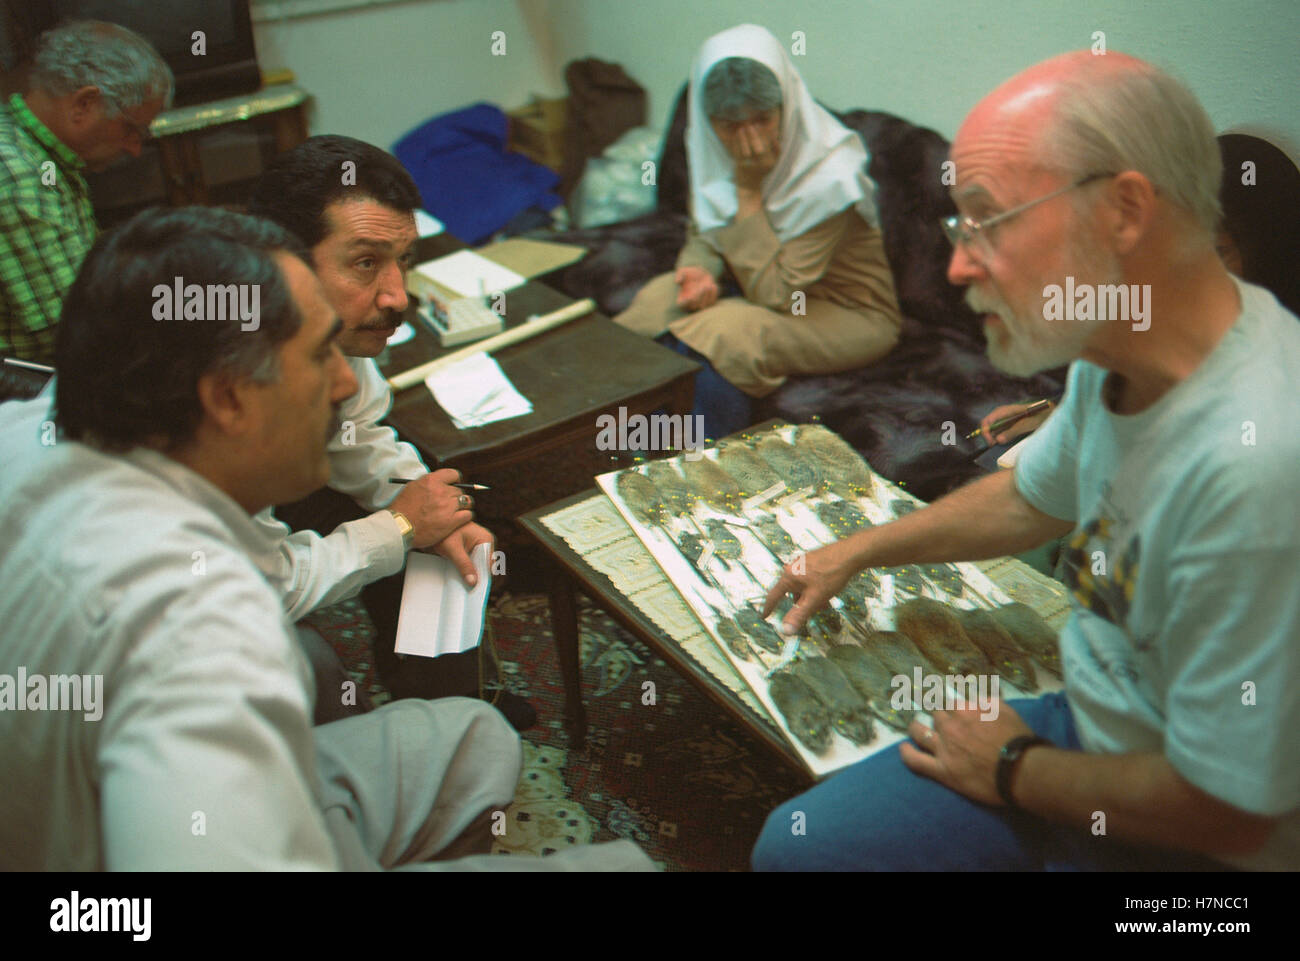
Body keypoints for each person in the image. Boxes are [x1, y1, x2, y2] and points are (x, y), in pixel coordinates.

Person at [753, 51, 1299, 871]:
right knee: (795, 850)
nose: (957, 266)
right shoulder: (1114, 350)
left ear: (1123, 212)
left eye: (989, 222)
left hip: (1201, 846)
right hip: (1092, 724)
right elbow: (1030, 500)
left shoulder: (1256, 461)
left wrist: (1013, 767)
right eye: (958, 225)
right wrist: (856, 550)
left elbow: (1235, 817)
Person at [0, 206, 651, 871]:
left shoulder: (29, 427)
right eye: (319, 354)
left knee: (475, 736)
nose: (344, 383)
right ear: (227, 398)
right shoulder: (198, 627)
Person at [247, 136, 535, 728]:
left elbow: (358, 432)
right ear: (287, 262)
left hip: (279, 490)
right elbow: (267, 583)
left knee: (437, 521)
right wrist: (398, 526)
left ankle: (449, 709)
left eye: (403, 260)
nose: (397, 296)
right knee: (314, 658)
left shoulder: (334, 330)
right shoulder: (226, 383)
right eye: (364, 262)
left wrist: (424, 509)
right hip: (219, 574)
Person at [614, 23, 901, 438]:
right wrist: (699, 269)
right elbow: (705, 233)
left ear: (787, 105)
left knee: (728, 332)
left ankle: (704, 463)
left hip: (846, 312)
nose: (750, 140)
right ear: (710, 122)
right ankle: (616, 442)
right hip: (756, 287)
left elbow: (778, 295)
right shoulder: (711, 148)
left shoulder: (830, 178)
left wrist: (748, 190)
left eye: (763, 119)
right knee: (658, 300)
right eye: (731, 126)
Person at [0, 20, 170, 366]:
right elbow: (78, 334)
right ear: (84, 104)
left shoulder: (35, 149)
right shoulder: (20, 178)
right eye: (131, 129)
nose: (135, 149)